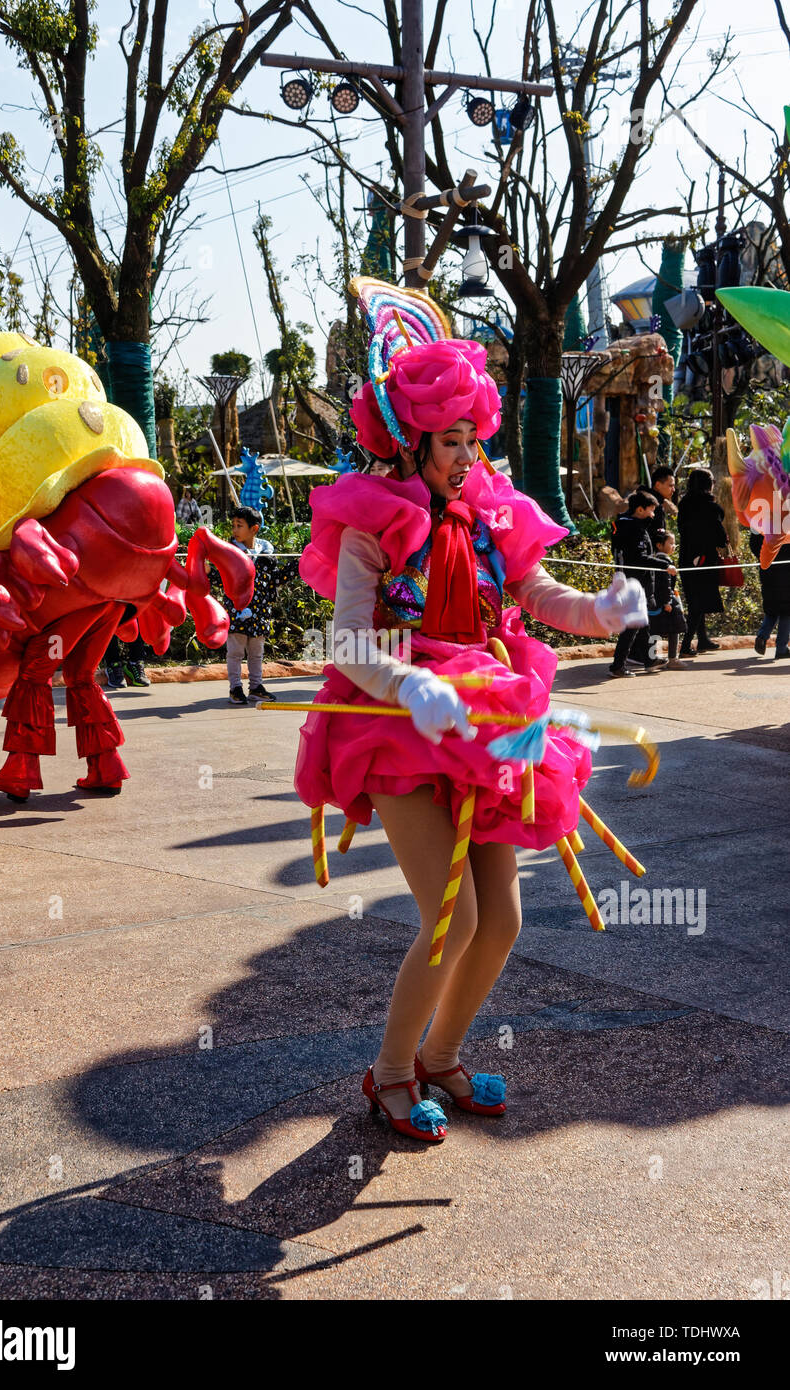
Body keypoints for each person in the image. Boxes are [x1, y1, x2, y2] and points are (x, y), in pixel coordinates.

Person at [292, 279, 647, 1144]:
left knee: (504, 919)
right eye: (448, 440)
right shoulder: (373, 520)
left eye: (471, 437)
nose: (463, 454)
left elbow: (533, 592)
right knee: (447, 920)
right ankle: (387, 1075)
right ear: (410, 438)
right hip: (397, 733)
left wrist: (599, 612)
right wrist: (407, 682)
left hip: (489, 725)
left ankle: (442, 1057)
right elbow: (344, 643)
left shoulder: (489, 512)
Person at [221, 505, 298, 705]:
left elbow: (275, 580)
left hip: (261, 612)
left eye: (240, 525)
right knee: (235, 652)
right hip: (237, 610)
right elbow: (218, 577)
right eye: (233, 525)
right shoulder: (229, 554)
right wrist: (206, 568)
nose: (235, 530)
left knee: (256, 654)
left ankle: (256, 687)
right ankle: (235, 688)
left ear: (254, 529)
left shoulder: (267, 555)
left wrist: (298, 564)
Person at [609, 489, 667, 677]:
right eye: (650, 511)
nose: (652, 515)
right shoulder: (634, 529)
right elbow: (639, 558)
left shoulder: (622, 526)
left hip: (626, 580)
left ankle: (650, 659)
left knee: (642, 623)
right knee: (633, 625)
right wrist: (664, 564)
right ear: (640, 510)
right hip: (635, 583)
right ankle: (618, 666)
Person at [678, 467, 728, 656]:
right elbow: (720, 538)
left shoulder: (684, 505)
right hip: (705, 560)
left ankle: (703, 639)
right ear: (709, 485)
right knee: (699, 604)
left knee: (694, 600)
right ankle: (685, 644)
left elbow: (685, 530)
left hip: (686, 558)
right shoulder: (711, 507)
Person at [648, 529, 689, 668]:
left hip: (656, 601)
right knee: (675, 629)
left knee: (654, 629)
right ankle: (672, 659)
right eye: (671, 543)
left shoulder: (654, 559)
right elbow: (664, 583)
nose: (674, 546)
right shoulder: (664, 561)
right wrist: (667, 601)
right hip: (666, 601)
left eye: (675, 543)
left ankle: (651, 658)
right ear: (659, 545)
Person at [750, 530, 790, 660]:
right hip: (786, 570)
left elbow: (754, 544)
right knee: (786, 612)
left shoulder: (761, 520)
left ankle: (762, 637)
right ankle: (781, 648)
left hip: (767, 569)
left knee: (772, 608)